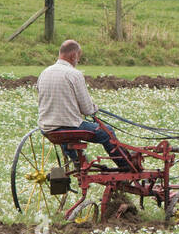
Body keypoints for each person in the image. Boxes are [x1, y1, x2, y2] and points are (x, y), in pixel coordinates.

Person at [37, 39, 133, 169]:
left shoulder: (44, 73)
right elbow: (87, 109)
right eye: (79, 57)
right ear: (73, 56)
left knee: (65, 134)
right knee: (107, 133)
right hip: (69, 127)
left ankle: (78, 161)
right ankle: (126, 166)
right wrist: (95, 108)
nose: (78, 61)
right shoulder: (74, 74)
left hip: (48, 129)